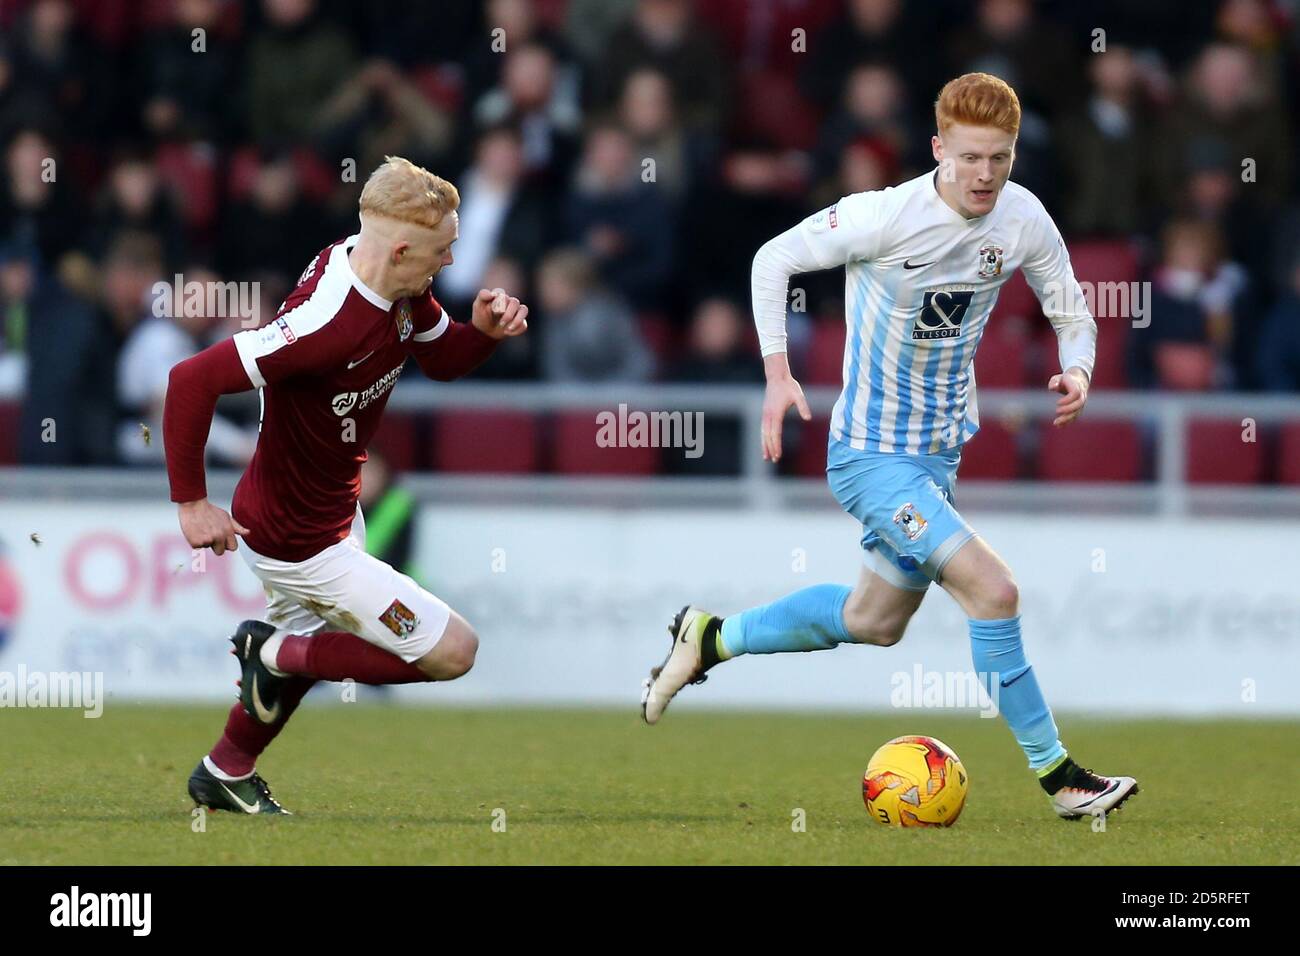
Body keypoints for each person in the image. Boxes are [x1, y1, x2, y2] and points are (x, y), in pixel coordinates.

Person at [640, 73, 1138, 821]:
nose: (984, 175)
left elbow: (1073, 308)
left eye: (999, 158)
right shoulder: (883, 216)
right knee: (994, 591)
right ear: (939, 148)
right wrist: (777, 374)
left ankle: (710, 636)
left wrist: (1078, 367)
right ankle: (1061, 777)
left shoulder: (1023, 218)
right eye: (969, 157)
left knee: (875, 621)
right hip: (871, 457)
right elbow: (771, 259)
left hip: (936, 459)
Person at [164, 156, 528, 814]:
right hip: (296, 542)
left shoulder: (393, 279)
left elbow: (442, 358)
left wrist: (486, 335)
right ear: (401, 249)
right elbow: (191, 380)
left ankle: (225, 768)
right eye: (444, 251)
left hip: (327, 514)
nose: (450, 263)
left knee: (303, 663)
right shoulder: (325, 325)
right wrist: (190, 502)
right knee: (452, 651)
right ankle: (272, 652)